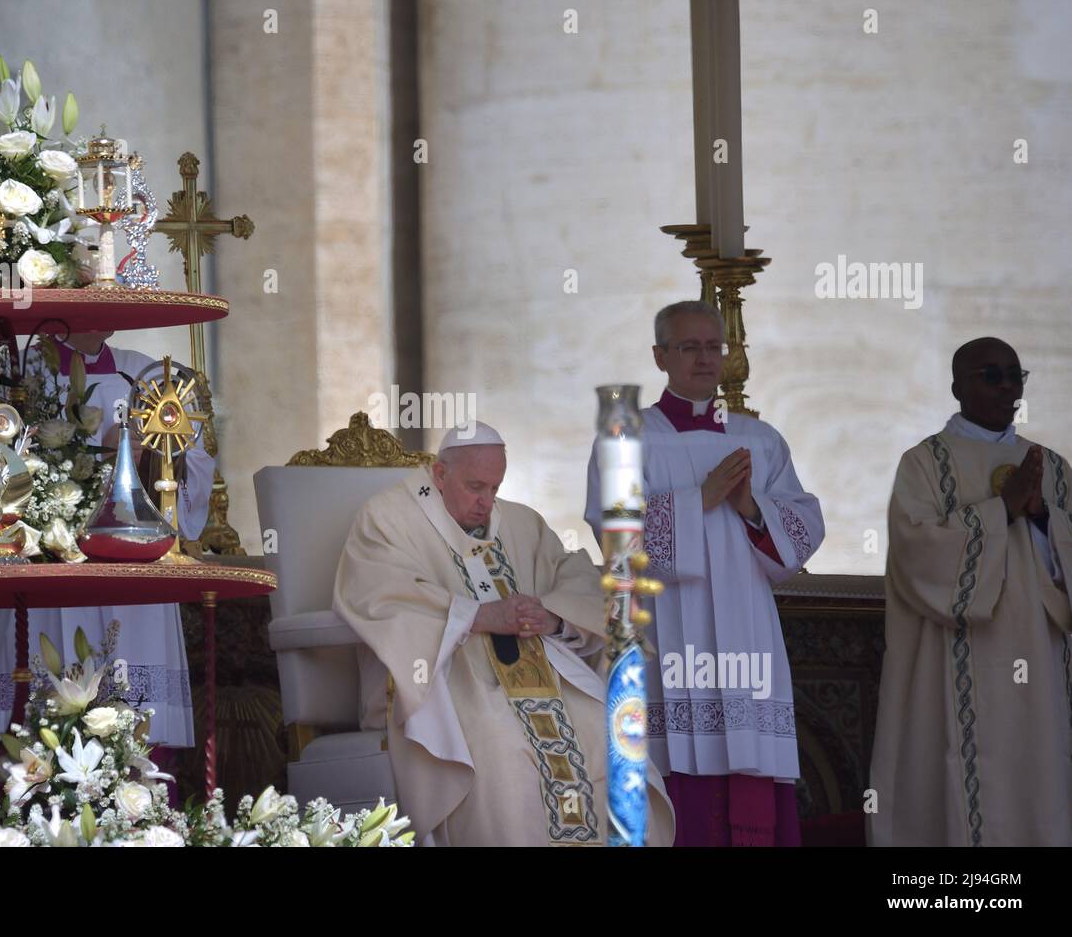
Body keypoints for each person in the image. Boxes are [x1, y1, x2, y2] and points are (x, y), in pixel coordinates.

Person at [334, 420, 675, 846]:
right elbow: (377, 596)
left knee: (602, 732)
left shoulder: (520, 522)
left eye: (495, 488)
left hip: (543, 673)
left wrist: (551, 616)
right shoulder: (388, 519)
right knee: (502, 748)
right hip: (447, 679)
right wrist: (477, 617)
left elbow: (576, 576)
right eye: (476, 487)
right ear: (440, 475)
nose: (487, 502)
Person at [585, 299, 823, 846]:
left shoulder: (760, 439)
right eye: (688, 346)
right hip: (667, 625)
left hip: (748, 626)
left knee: (750, 761)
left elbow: (803, 526)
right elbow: (616, 537)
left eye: (713, 346)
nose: (704, 358)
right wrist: (701, 498)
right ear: (659, 356)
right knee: (677, 770)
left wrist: (751, 508)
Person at [869, 337, 1072, 846]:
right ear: (958, 385)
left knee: (1035, 775)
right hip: (952, 654)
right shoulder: (924, 464)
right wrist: (999, 509)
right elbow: (916, 552)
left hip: (1037, 654)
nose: (1007, 387)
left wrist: (1043, 516)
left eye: (1014, 375)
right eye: (991, 375)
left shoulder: (1052, 467)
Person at [0, 330, 215, 751]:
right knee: (48, 719)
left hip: (136, 571)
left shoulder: (146, 375)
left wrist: (161, 457)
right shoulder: (18, 376)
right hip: (52, 569)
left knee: (139, 722)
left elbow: (195, 478)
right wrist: (95, 460)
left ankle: (150, 800)